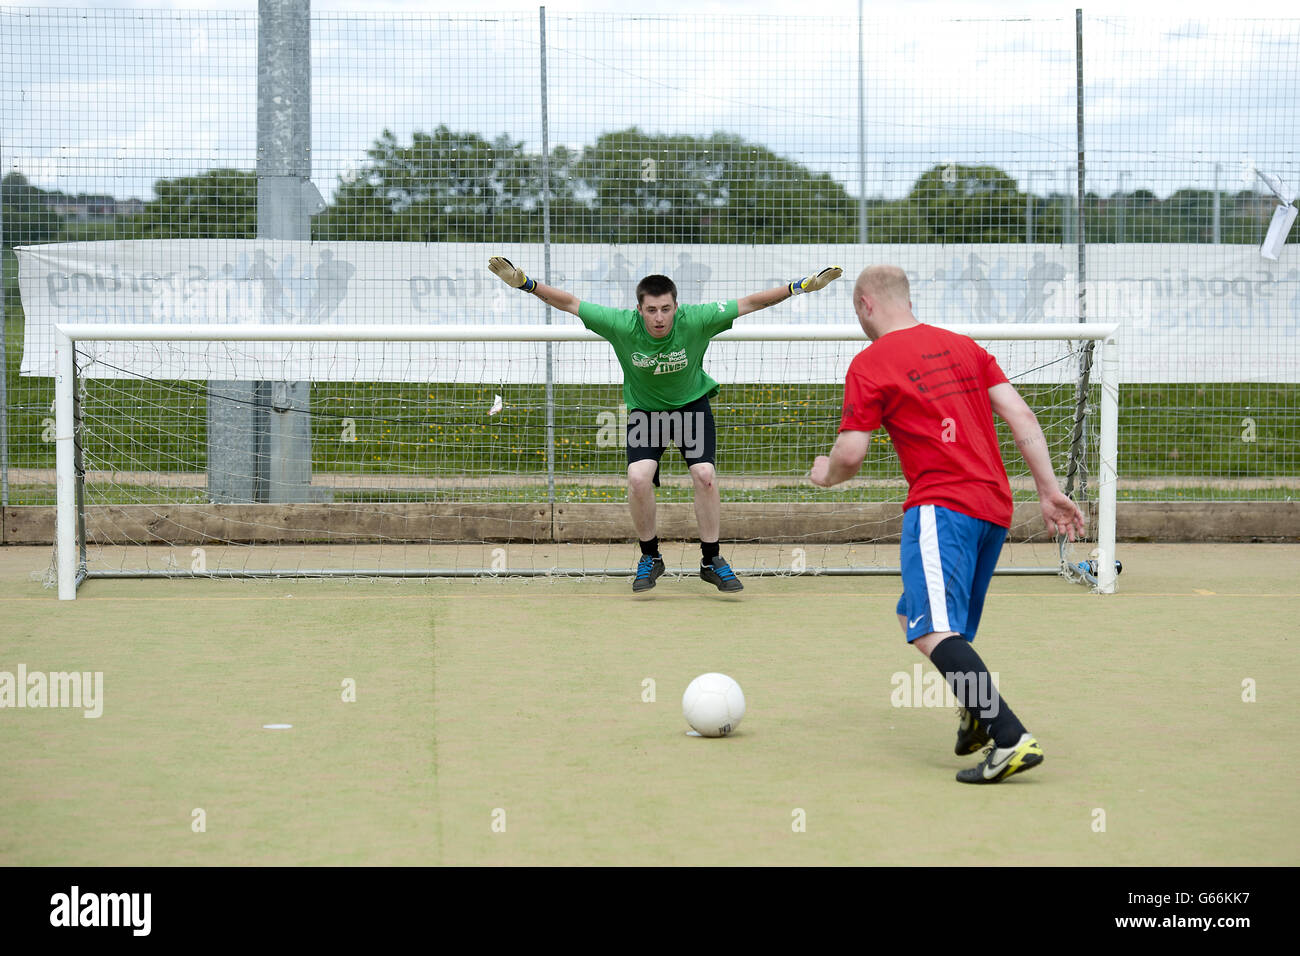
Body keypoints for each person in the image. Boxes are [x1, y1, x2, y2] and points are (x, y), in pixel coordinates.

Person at [810, 264, 1085, 784]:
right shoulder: (966, 347)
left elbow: (850, 453)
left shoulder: (871, 363)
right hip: (994, 508)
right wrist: (1049, 491)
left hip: (942, 505)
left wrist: (826, 475)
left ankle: (1009, 737)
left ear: (865, 304)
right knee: (916, 615)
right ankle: (977, 715)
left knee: (931, 629)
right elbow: (1022, 417)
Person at [489, 255, 842, 593]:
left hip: (691, 407)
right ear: (639, 309)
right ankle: (650, 555)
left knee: (705, 476)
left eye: (666, 309)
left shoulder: (699, 319)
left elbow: (752, 302)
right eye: (652, 310)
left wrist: (799, 287)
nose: (660, 318)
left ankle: (710, 560)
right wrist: (526, 284)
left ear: (677, 306)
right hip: (646, 413)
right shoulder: (619, 324)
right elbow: (569, 303)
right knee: (638, 478)